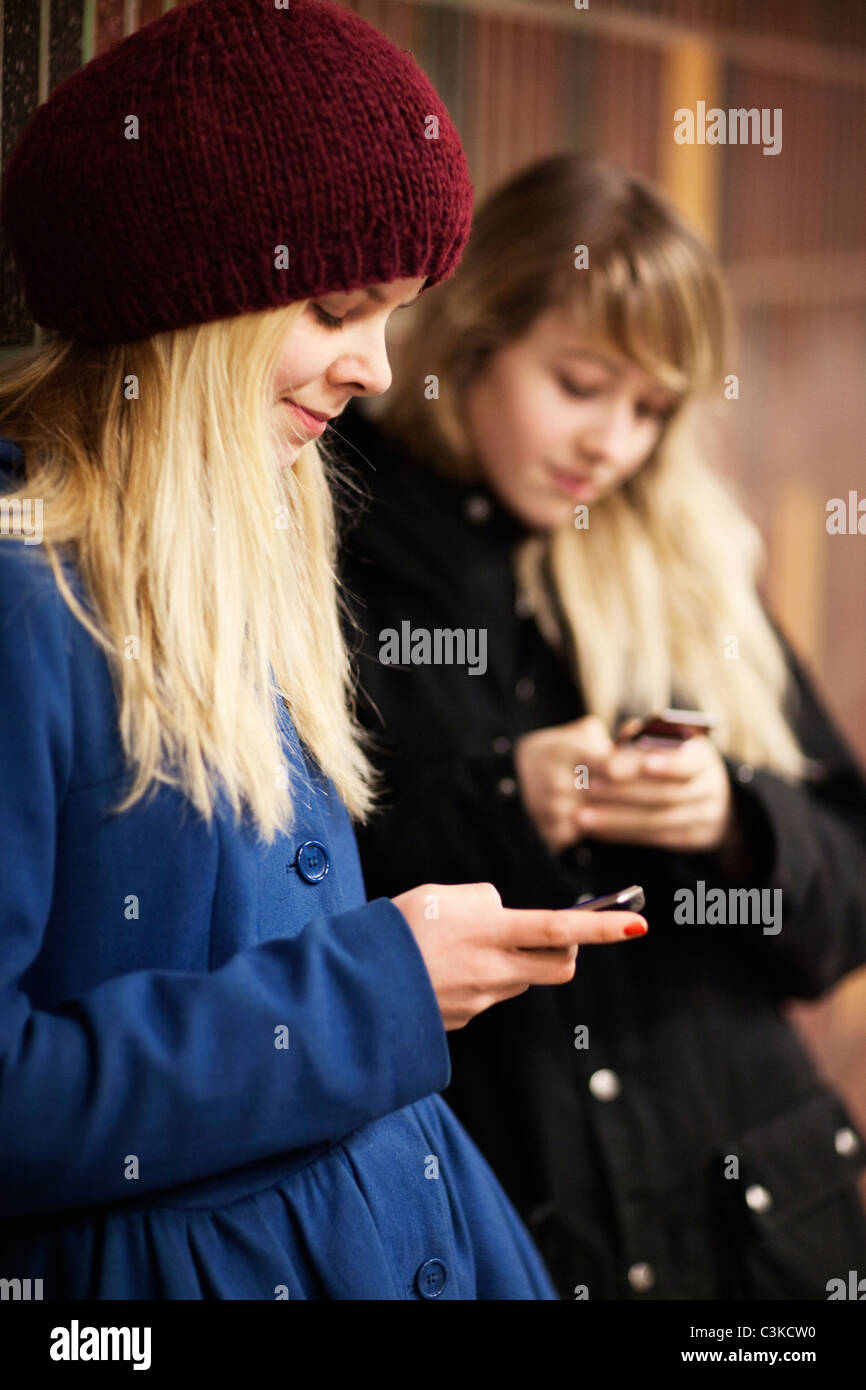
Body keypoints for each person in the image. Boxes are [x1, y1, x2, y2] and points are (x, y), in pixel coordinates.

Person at [0, 7, 649, 1302]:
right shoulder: (28, 605)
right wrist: (381, 986)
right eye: (340, 307)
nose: (376, 368)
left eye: (399, 313)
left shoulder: (242, 543)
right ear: (189, 298)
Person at [335, 152, 866, 1301]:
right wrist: (500, 800)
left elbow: (845, 903)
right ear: (472, 340)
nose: (611, 445)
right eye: (579, 385)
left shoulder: (685, 552)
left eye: (650, 408)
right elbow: (293, 910)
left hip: (759, 1236)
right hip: (508, 1229)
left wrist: (734, 819)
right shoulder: (336, 539)